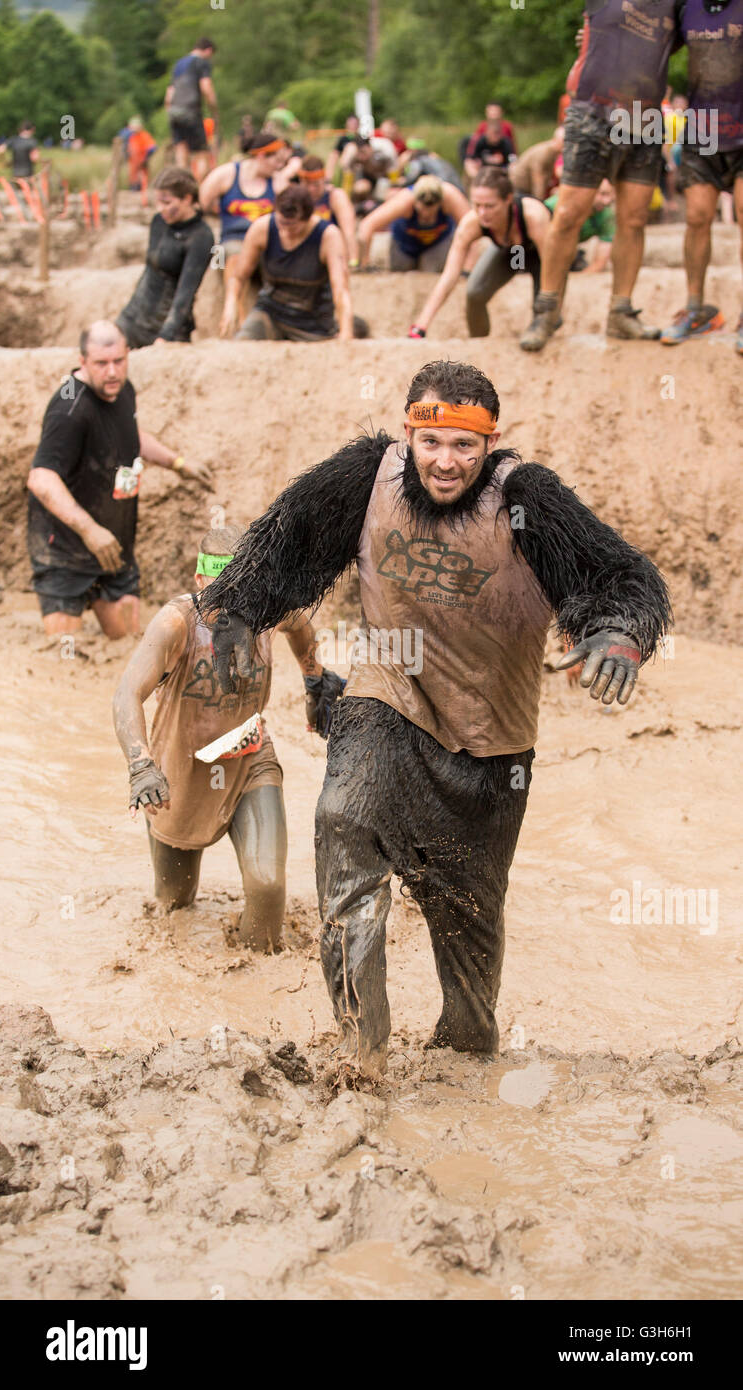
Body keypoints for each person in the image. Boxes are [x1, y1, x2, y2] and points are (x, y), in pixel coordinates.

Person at [199, 359, 671, 1080]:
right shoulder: (367, 476)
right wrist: (237, 608)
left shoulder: (527, 501)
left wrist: (617, 631)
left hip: (490, 743)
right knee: (343, 822)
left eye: (463, 446)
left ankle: (463, 1065)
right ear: (409, 436)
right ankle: (360, 1052)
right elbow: (286, 540)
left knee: (468, 939)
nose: (444, 462)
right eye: (431, 443)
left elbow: (618, 575)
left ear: (490, 444)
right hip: (386, 697)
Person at [113, 526, 345, 950]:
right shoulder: (174, 623)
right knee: (174, 905)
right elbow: (127, 692)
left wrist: (315, 683)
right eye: (222, 596)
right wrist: (140, 765)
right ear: (200, 581)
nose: (232, 609)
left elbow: (300, 629)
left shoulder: (269, 607)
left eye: (243, 594)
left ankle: (255, 986)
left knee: (268, 885)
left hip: (248, 755)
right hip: (179, 772)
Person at [26, 322, 212, 640]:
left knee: (127, 647)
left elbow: (128, 435)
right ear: (83, 361)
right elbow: (41, 478)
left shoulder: (123, 390)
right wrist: (90, 530)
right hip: (67, 552)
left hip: (114, 548)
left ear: (127, 355)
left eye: (118, 361)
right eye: (101, 363)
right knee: (65, 654)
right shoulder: (69, 408)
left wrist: (176, 462)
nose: (112, 371)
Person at [520, 0, 682, 351]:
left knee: (635, 217)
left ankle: (621, 311)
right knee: (567, 214)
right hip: (592, 109)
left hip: (645, 117)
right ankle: (546, 310)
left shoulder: (678, 4)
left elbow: (692, 36)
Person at [661, 0, 743, 353]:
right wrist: (595, 43)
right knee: (697, 217)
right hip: (703, 132)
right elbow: (652, 44)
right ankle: (696, 310)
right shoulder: (686, 8)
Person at [408, 169, 552, 339]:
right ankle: (478, 342)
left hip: (542, 255)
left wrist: (549, 307)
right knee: (474, 293)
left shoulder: (533, 216)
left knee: (544, 308)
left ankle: (549, 322)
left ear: (508, 200)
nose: (482, 213)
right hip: (514, 252)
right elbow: (449, 275)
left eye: (490, 206)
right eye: (477, 205)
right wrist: (422, 324)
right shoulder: (472, 222)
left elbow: (554, 265)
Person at [220, 184, 367, 342]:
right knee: (245, 341)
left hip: (314, 320)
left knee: (352, 332)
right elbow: (239, 276)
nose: (285, 231)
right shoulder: (263, 228)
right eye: (281, 223)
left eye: (292, 226)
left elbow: (341, 289)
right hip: (271, 312)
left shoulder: (328, 236)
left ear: (307, 219)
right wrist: (231, 303)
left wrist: (346, 332)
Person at [199, 130, 300, 308]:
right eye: (276, 161)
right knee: (233, 256)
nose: (278, 167)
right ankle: (235, 316)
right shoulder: (226, 174)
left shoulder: (277, 183)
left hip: (264, 246)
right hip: (226, 246)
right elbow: (199, 206)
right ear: (261, 156)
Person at [116, 168, 214, 349]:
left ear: (187, 198)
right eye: (158, 202)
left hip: (167, 325)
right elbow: (150, 271)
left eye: (167, 203)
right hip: (134, 317)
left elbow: (186, 291)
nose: (161, 209)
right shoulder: (158, 222)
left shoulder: (201, 237)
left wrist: (166, 336)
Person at [357, 175, 469, 272]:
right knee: (402, 270)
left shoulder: (450, 197)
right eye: (422, 210)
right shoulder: (404, 201)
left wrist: (467, 267)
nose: (426, 215)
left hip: (437, 242)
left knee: (430, 270)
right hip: (404, 243)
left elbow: (470, 228)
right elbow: (366, 226)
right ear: (415, 202)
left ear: (440, 203)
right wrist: (364, 263)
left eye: (431, 211)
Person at [165, 36, 218, 179]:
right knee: (202, 154)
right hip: (191, 112)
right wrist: (214, 108)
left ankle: (182, 191)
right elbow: (206, 87)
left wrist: (169, 111)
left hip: (174, 112)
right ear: (208, 50)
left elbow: (169, 94)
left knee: (181, 153)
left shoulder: (179, 64)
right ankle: (200, 192)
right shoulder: (202, 63)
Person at [545, 178, 615, 274]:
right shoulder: (557, 205)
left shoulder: (606, 215)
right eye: (602, 194)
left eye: (610, 195)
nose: (607, 201)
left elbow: (600, 263)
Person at [297, 156, 359, 265]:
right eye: (307, 184)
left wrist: (353, 259)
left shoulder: (335, 196)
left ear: (323, 180)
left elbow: (348, 231)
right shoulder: (296, 197)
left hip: (331, 249)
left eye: (316, 184)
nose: (311, 189)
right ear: (301, 181)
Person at [511, 129, 565, 202]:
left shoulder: (554, 153)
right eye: (563, 141)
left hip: (527, 188)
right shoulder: (543, 154)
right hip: (519, 187)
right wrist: (539, 203)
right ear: (555, 140)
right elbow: (538, 183)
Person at [464, 110, 516, 180]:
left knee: (515, 167)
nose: (496, 136)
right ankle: (478, 182)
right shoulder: (479, 141)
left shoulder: (506, 142)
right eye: (493, 133)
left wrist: (510, 166)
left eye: (498, 133)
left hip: (502, 171)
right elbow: (470, 159)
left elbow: (513, 159)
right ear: (487, 132)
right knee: (469, 164)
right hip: (482, 171)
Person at [126, 118, 157, 199]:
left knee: (142, 180)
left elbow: (152, 148)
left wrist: (146, 158)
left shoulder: (144, 135)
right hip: (133, 165)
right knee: (133, 180)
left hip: (142, 163)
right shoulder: (131, 137)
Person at [325, 115, 360, 184]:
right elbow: (335, 152)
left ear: (358, 125)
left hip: (356, 162)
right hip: (344, 162)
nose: (352, 126)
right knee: (332, 155)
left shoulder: (360, 138)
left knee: (351, 149)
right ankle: (328, 180)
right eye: (350, 123)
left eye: (354, 124)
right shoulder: (343, 138)